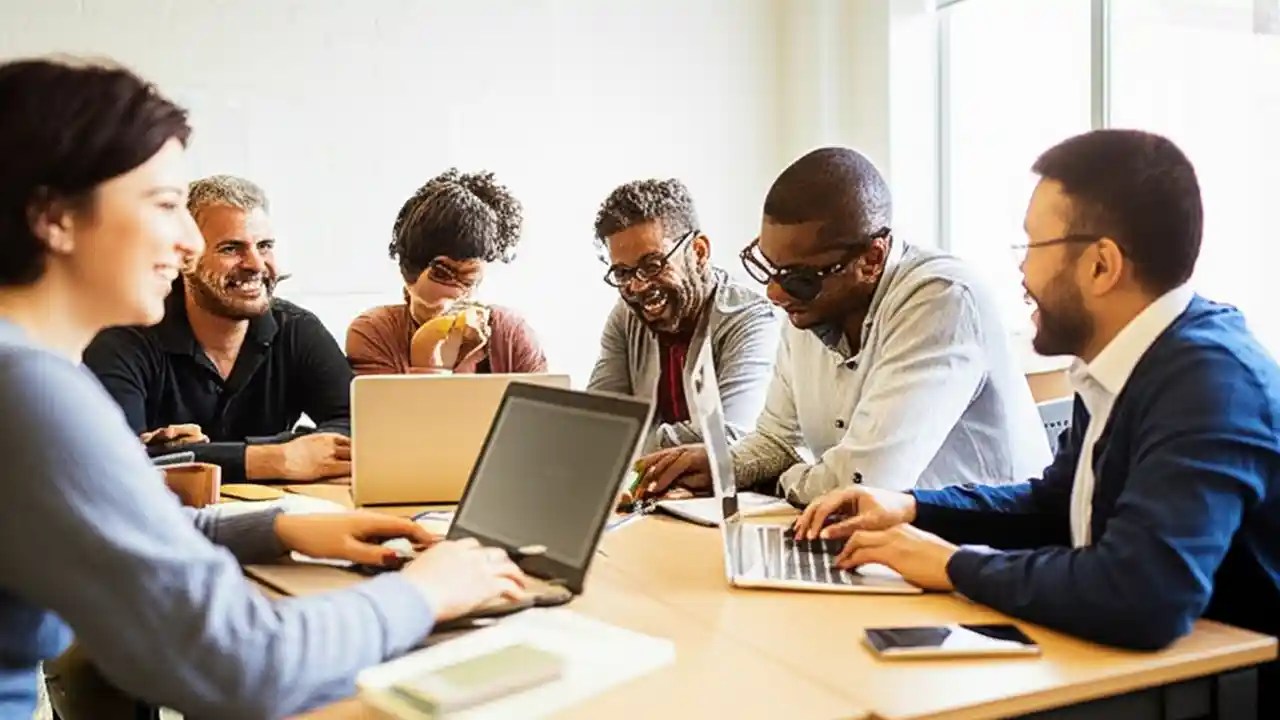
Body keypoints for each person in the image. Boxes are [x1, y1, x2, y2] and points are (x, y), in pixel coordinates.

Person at [0, 57, 527, 719]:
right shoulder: (30, 393)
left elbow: (137, 524)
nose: (188, 243)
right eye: (165, 205)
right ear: (54, 218)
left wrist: (287, 526)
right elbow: (240, 663)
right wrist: (426, 593)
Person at [794, 130, 1280, 713]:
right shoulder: (1117, 359)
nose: (1021, 269)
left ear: (1101, 264)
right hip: (1146, 674)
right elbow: (1056, 506)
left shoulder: (1211, 381)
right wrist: (911, 508)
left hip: (1223, 691)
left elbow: (1145, 595)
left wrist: (951, 564)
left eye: (1033, 243)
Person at [635, 148, 1048, 503]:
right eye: (768, 267)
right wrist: (722, 466)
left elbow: (866, 483)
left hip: (981, 561)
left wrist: (781, 482)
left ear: (871, 258)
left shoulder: (941, 298)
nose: (775, 294)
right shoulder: (809, 308)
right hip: (884, 549)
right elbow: (779, 439)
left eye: (797, 277)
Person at [82, 173, 353, 484]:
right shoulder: (124, 335)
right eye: (230, 248)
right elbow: (113, 459)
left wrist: (197, 456)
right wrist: (273, 458)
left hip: (277, 515)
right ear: (184, 258)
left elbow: (359, 429)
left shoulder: (296, 329)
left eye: (264, 246)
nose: (255, 264)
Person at [588, 178, 780, 451]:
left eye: (652, 265)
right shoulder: (625, 316)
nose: (638, 285)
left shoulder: (750, 318)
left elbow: (731, 440)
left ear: (699, 252)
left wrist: (629, 442)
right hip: (653, 491)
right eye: (622, 273)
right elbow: (596, 428)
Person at [346, 169, 547, 376]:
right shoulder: (376, 332)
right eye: (442, 273)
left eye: (468, 279)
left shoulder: (510, 334)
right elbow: (396, 409)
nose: (455, 293)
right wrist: (430, 360)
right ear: (409, 270)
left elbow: (540, 405)